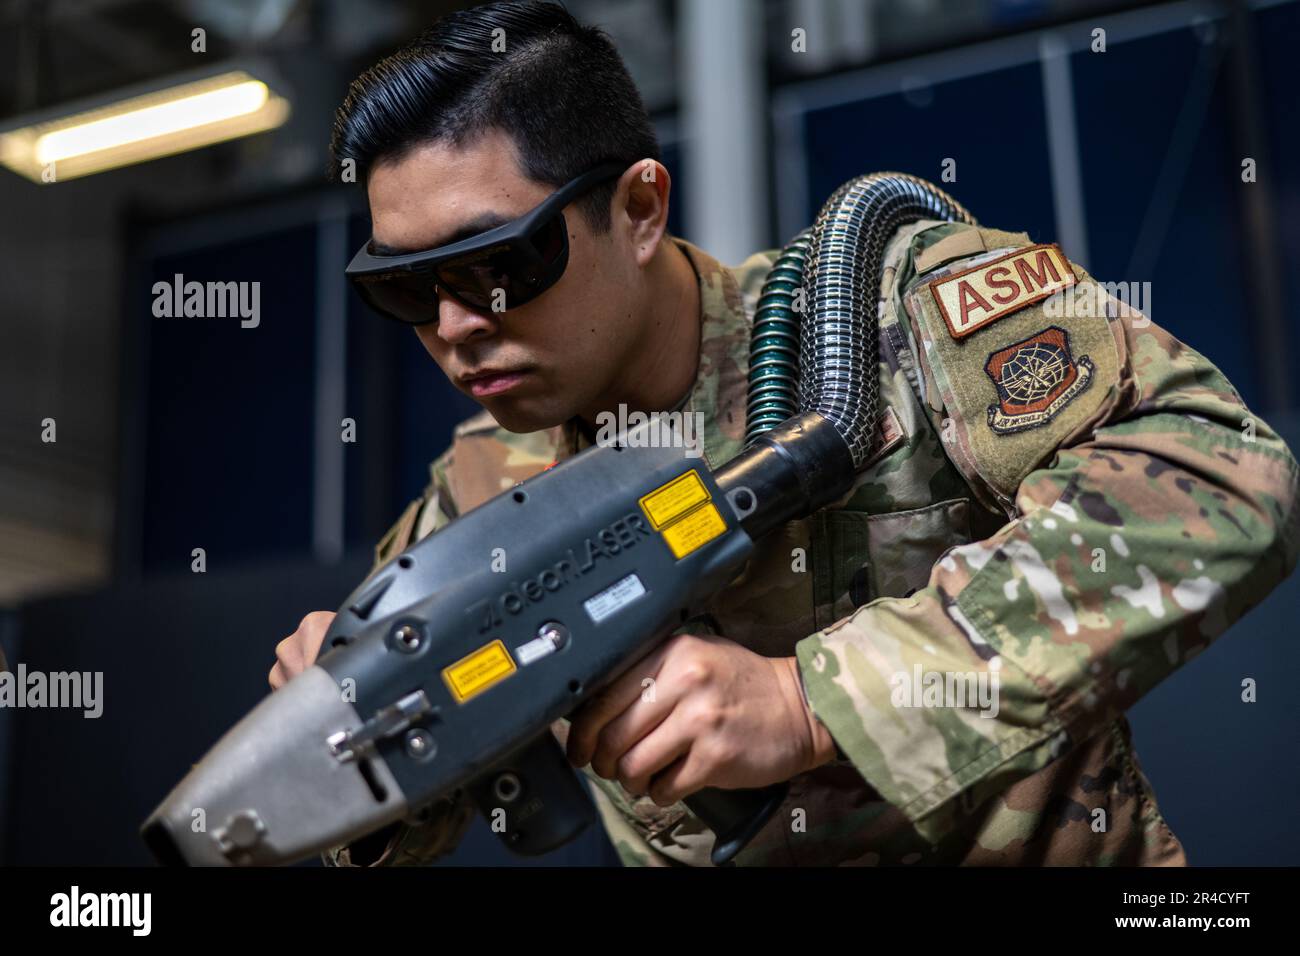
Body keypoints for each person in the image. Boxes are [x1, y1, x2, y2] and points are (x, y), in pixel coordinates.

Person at [270, 1, 1299, 866]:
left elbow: (1224, 473)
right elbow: (400, 826)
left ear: (637, 208)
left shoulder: (891, 309)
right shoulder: (483, 493)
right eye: (406, 290)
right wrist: (341, 741)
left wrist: (812, 700)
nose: (455, 325)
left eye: (496, 265)